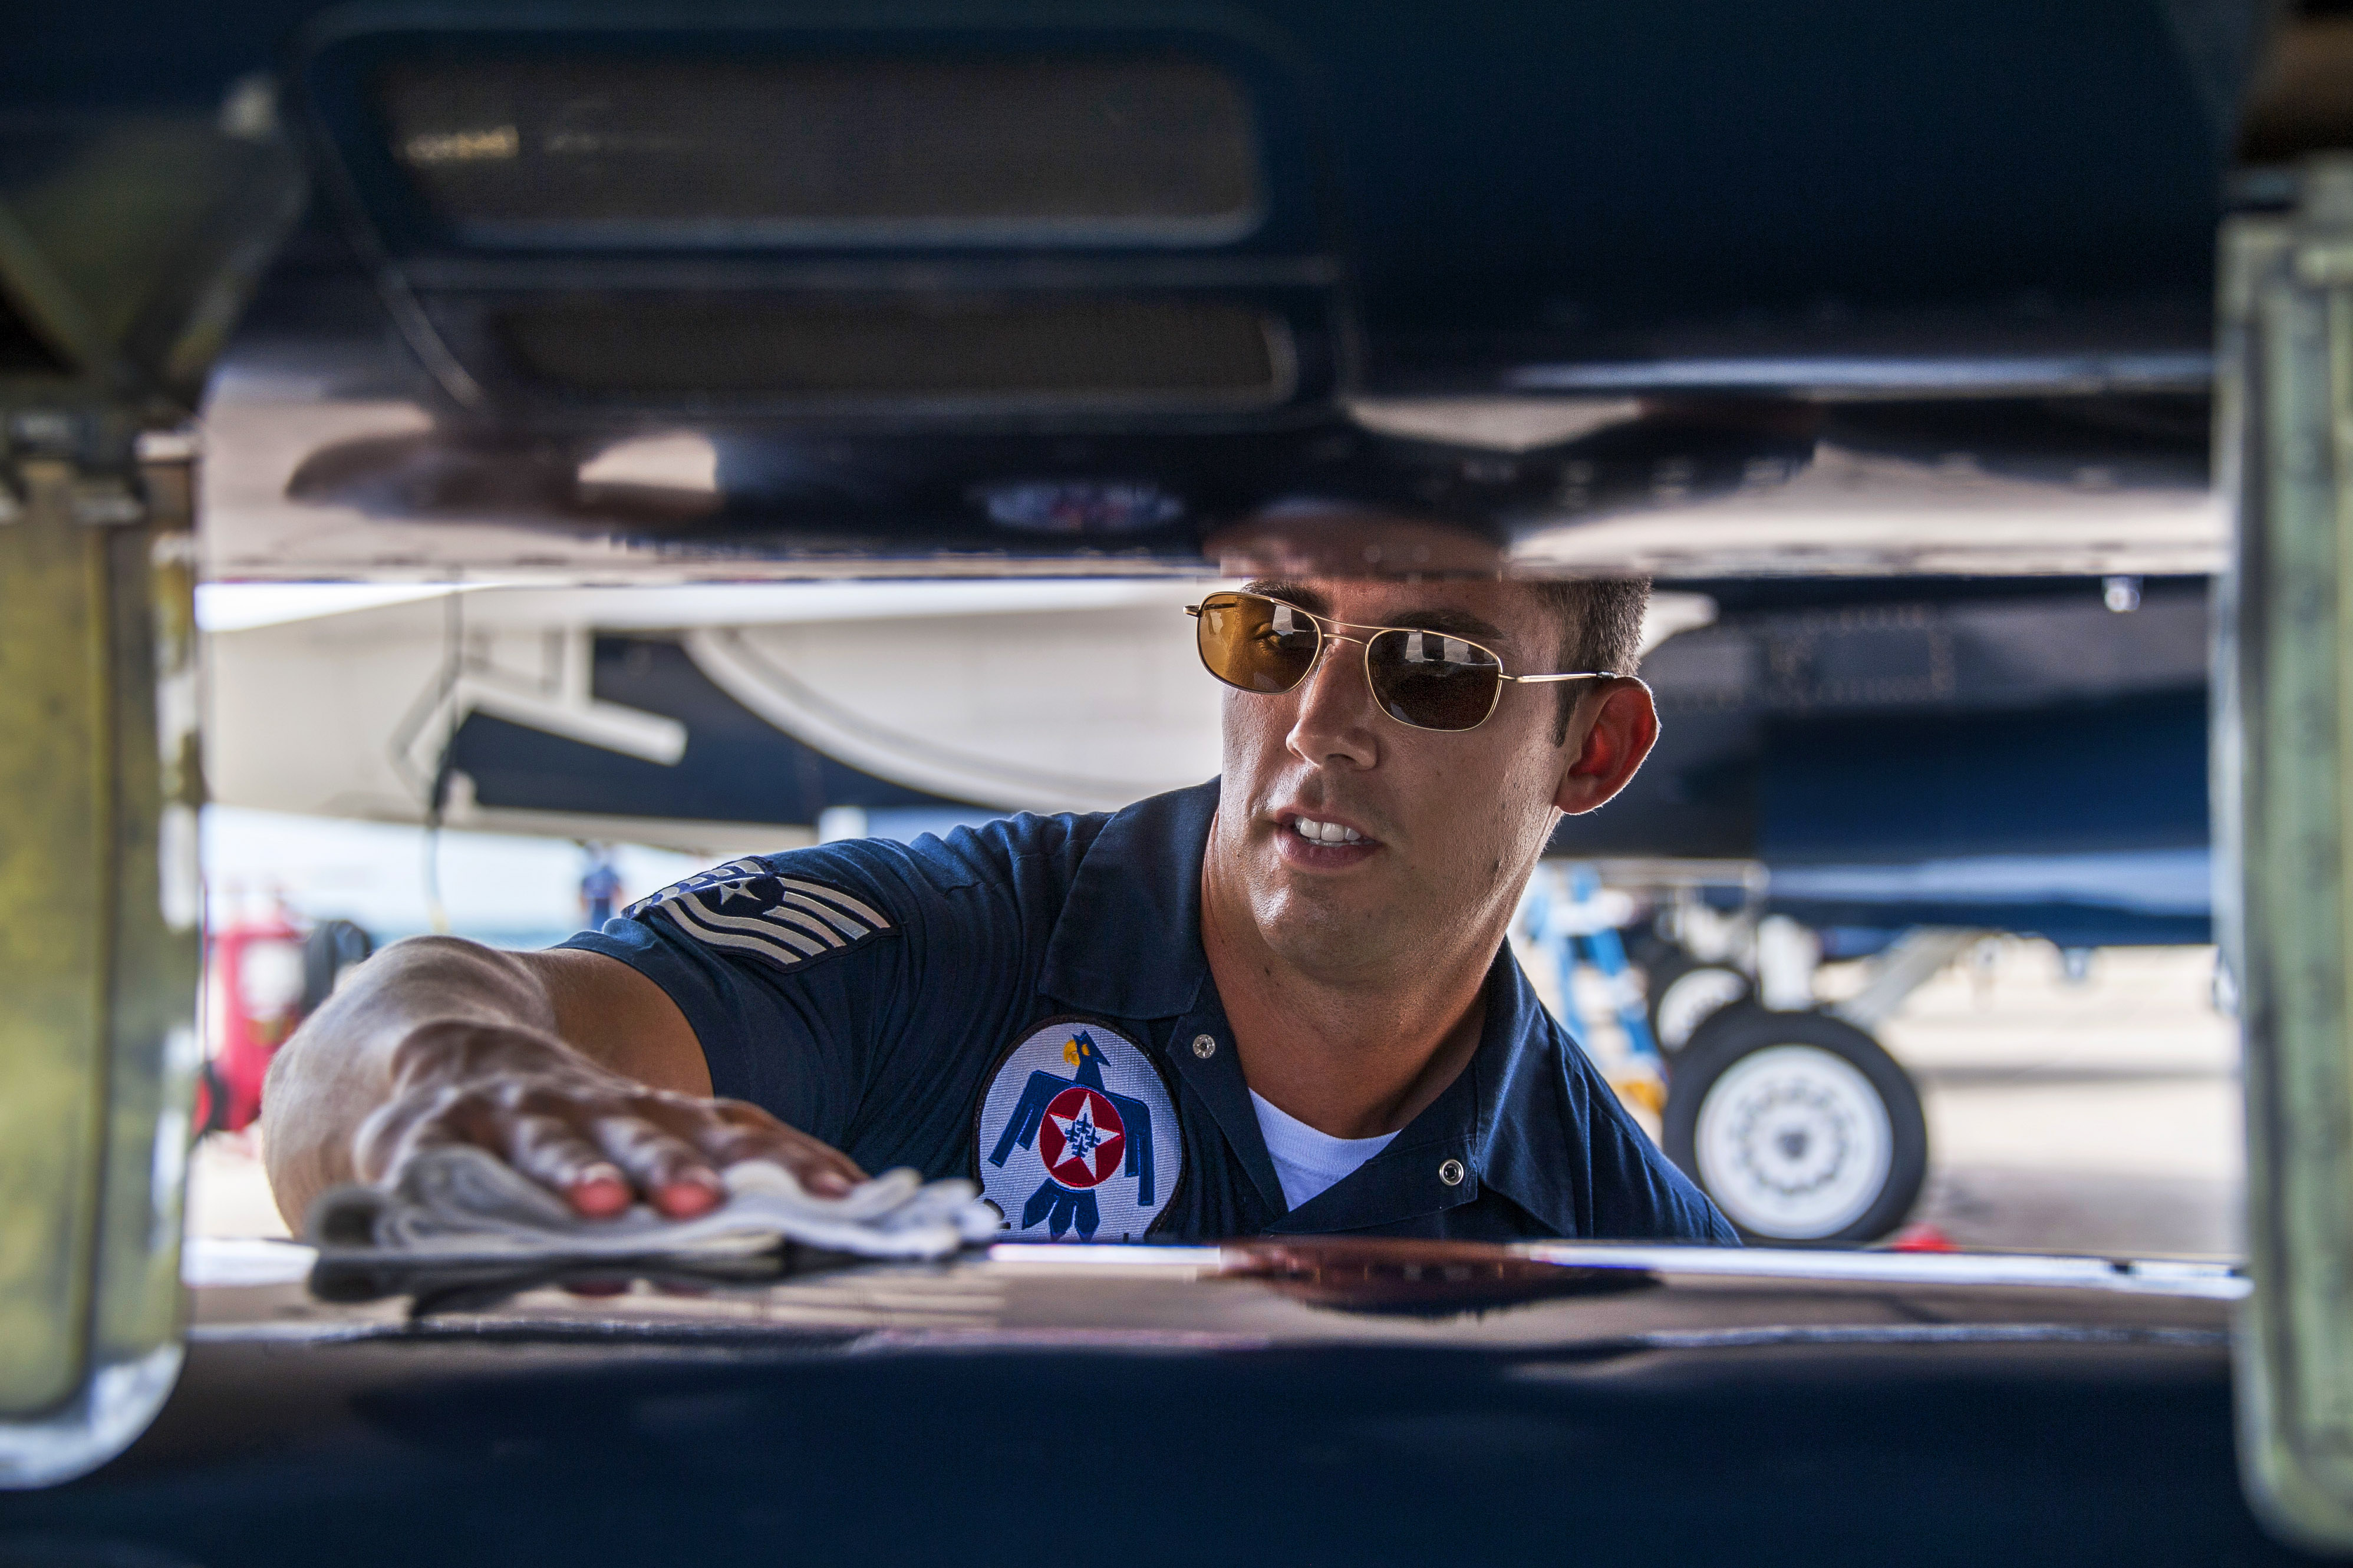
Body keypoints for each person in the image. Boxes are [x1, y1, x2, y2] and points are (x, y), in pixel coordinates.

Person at [262, 556, 1734, 1245]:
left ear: (1590, 748)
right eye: (1271, 633)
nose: (1315, 723)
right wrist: (450, 1086)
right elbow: (398, 1037)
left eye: (1430, 666)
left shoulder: (1634, 1253)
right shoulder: (940, 955)